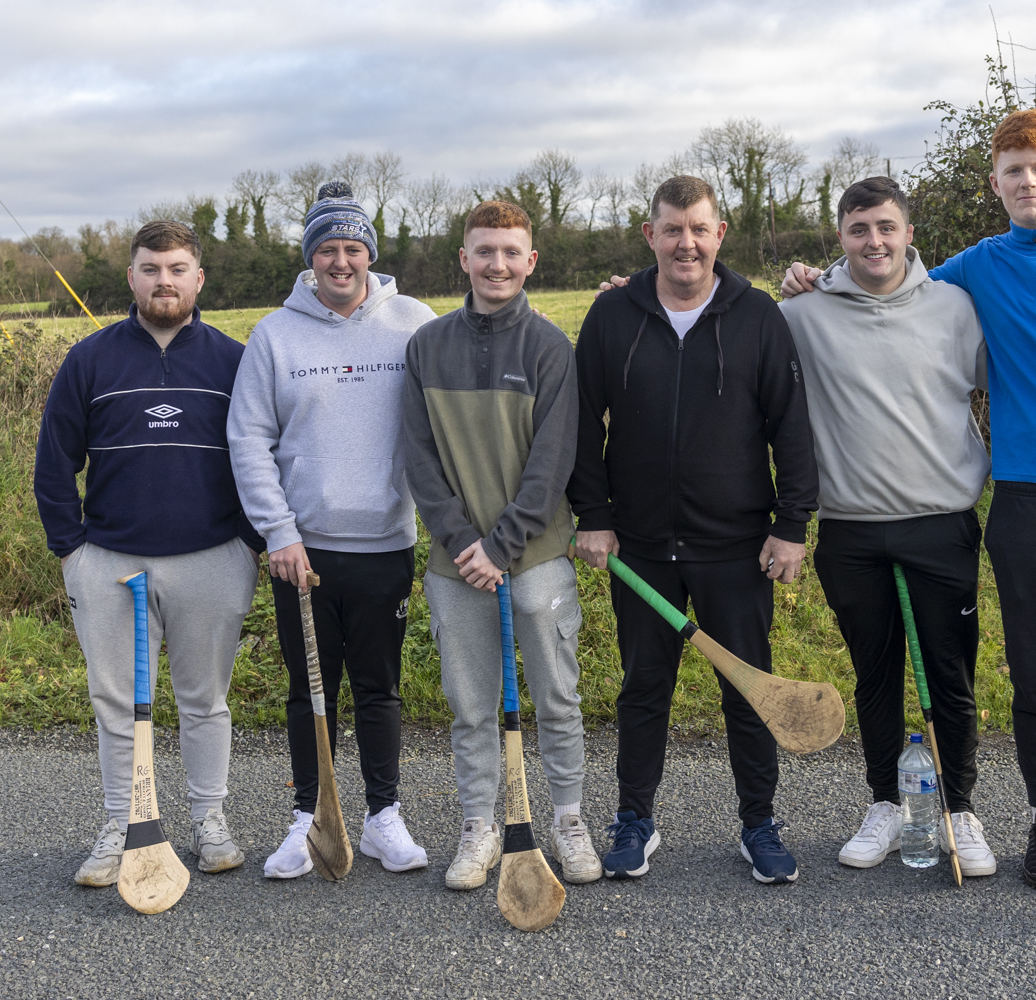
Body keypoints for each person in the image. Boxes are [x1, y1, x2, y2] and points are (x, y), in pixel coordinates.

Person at [782, 109, 1036, 902]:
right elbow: (889, 280)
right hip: (1023, 501)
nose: (1028, 182)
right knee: (1035, 676)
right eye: (1014, 171)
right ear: (996, 184)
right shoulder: (971, 270)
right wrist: (813, 276)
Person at [569, 175, 819, 884]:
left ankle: (759, 824)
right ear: (650, 235)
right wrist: (593, 514)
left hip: (736, 547)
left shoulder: (758, 315)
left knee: (747, 688)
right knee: (643, 687)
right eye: (673, 229)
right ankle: (634, 821)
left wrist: (792, 523)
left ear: (719, 235)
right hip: (641, 547)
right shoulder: (613, 314)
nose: (687, 243)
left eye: (699, 229)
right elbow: (582, 422)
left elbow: (791, 425)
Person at [777, 176, 997, 876]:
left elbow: (1021, 383)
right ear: (840, 237)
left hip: (941, 523)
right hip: (852, 531)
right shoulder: (802, 314)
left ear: (907, 233)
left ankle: (959, 809)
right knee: (875, 675)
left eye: (886, 227)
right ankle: (884, 804)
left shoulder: (955, 307)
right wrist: (633, 293)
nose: (874, 241)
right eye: (859, 229)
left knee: (949, 674)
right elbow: (729, 334)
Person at [35, 220, 263, 887]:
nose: (165, 281)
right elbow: (54, 464)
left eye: (177, 268)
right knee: (116, 703)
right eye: (151, 268)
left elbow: (264, 458)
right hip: (109, 561)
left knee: (205, 700)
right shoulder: (89, 359)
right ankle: (124, 825)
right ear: (131, 276)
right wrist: (72, 552)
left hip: (212, 558)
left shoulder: (235, 361)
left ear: (199, 278)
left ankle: (209, 820)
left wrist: (249, 545)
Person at [227, 182, 437, 878]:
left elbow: (455, 396)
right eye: (327, 249)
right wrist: (278, 533)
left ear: (369, 254)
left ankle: (382, 817)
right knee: (308, 691)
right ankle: (307, 817)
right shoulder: (274, 334)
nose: (340, 261)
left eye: (352, 247)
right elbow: (249, 439)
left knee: (379, 687)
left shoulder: (413, 322)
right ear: (309, 257)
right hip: (303, 552)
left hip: (385, 544)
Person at [401, 200, 601, 891]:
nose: (497, 264)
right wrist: (465, 544)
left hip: (536, 556)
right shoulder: (427, 347)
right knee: (470, 706)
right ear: (464, 258)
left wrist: (502, 546)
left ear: (531, 261)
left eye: (511, 252)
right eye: (484, 251)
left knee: (558, 699)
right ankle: (480, 826)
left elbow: (552, 464)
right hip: (456, 563)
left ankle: (569, 819)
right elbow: (419, 459)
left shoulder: (549, 348)